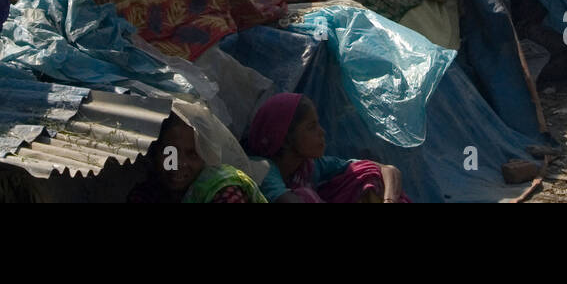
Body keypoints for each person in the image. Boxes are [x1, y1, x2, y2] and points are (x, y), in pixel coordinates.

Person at [245, 93, 409, 203]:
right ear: (285, 137)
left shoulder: (310, 166)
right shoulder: (262, 168)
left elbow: (388, 170)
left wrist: (389, 201)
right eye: (311, 127)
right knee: (306, 195)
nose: (322, 132)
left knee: (369, 174)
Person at [128, 113, 266, 203]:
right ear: (155, 152)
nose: (179, 163)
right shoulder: (147, 194)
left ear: (206, 155)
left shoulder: (222, 189)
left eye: (192, 154)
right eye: (170, 152)